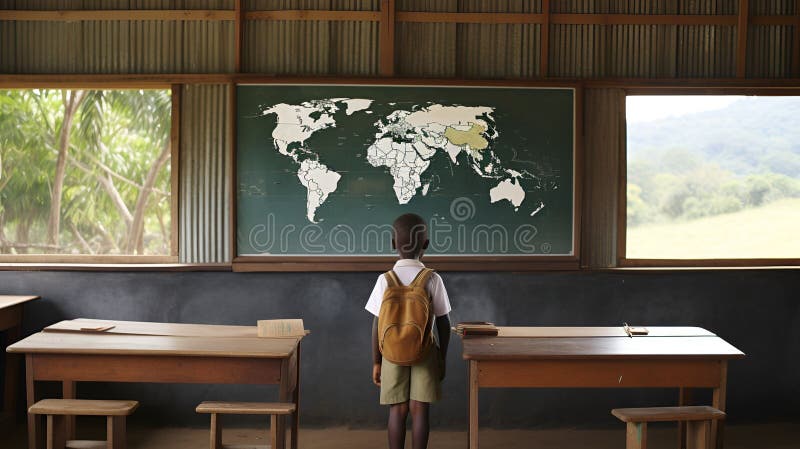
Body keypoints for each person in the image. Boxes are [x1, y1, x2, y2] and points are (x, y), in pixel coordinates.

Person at [365, 213, 452, 449]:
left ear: (393, 243)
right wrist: (441, 358)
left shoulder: (385, 279)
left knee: (398, 410)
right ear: (426, 244)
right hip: (425, 353)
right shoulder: (432, 278)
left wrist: (376, 362)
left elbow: (377, 324)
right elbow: (444, 323)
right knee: (420, 409)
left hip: (392, 354)